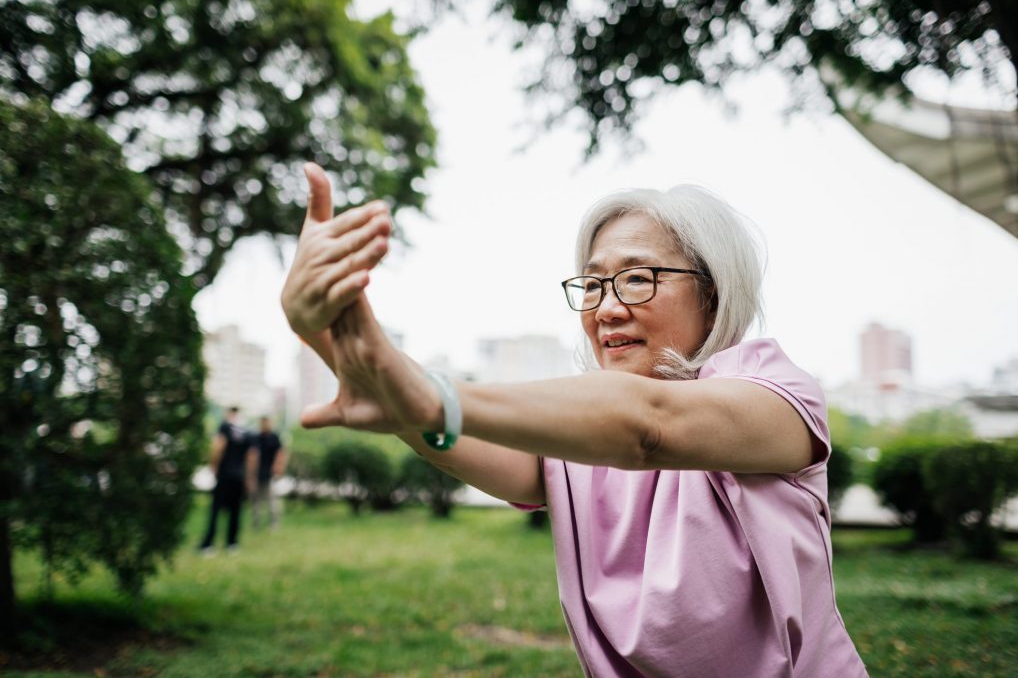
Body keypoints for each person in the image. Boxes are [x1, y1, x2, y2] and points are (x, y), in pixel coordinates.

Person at [281, 163, 868, 677]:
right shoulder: (578, 434)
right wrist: (324, 328)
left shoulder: (773, 392)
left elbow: (650, 427)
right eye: (592, 284)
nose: (607, 306)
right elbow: (451, 433)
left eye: (638, 278)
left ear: (713, 292)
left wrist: (431, 398)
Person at [199, 406, 251, 554]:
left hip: (225, 475)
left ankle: (208, 545)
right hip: (239, 477)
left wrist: (213, 466)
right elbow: (251, 457)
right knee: (236, 512)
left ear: (229, 413)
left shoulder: (225, 426)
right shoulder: (246, 431)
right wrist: (247, 477)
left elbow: (218, 446)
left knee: (215, 510)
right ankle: (232, 544)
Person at [248, 415, 288, 530]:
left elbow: (281, 454)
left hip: (270, 474)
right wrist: (251, 474)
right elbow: (252, 455)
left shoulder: (274, 437)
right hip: (257, 474)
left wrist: (278, 469)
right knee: (256, 500)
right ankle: (256, 522)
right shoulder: (256, 438)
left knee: (272, 500)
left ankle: (274, 523)